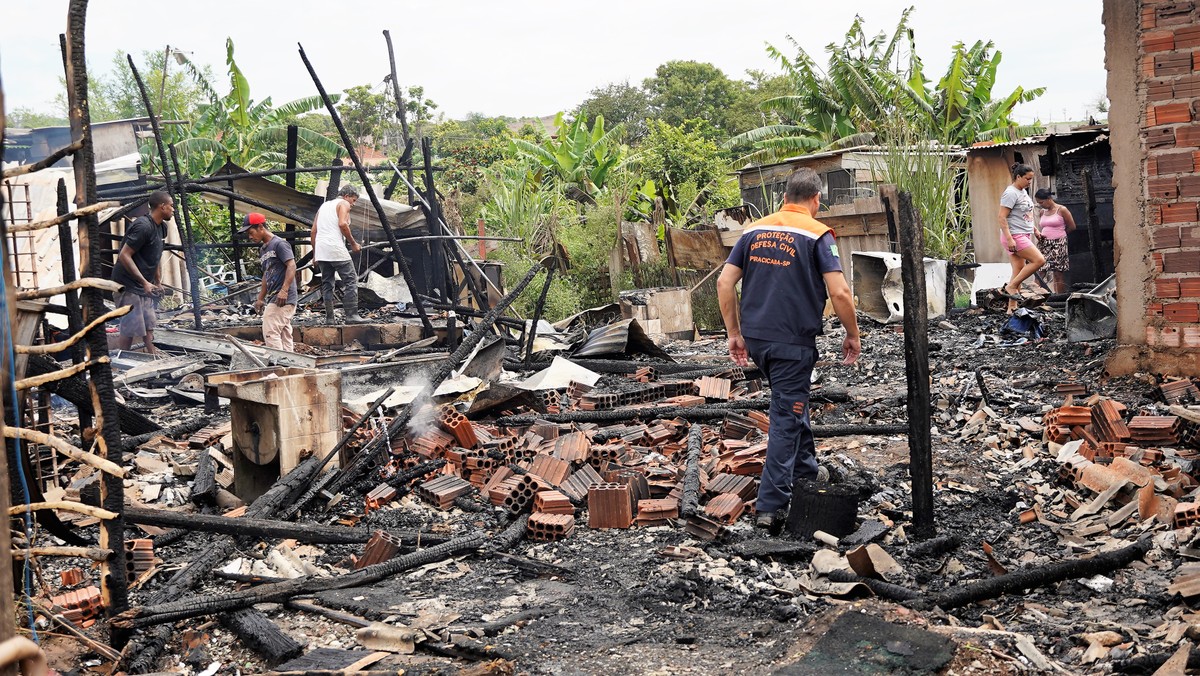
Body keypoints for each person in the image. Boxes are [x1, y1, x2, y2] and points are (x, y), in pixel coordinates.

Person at [716, 168, 861, 531]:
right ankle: (770, 507)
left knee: (792, 401)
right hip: (791, 342)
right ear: (816, 200)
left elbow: (725, 282)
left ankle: (807, 473)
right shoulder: (817, 233)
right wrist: (853, 333)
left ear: (784, 198)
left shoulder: (753, 231)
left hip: (758, 340)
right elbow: (840, 292)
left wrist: (734, 332)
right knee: (785, 417)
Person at [111, 190, 173, 354]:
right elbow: (124, 255)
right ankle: (122, 361)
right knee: (130, 325)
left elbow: (155, 256)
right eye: (171, 206)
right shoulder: (142, 226)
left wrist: (157, 282)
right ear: (162, 206)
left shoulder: (161, 228)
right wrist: (145, 282)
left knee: (149, 323)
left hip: (144, 285)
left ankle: (152, 356)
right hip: (127, 283)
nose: (173, 210)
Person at [241, 213, 297, 351]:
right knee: (284, 333)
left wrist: (284, 290)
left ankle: (279, 366)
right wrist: (260, 298)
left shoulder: (279, 244)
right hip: (275, 296)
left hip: (283, 296)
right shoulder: (263, 249)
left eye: (251, 232)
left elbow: (292, 265)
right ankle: (291, 366)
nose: (250, 236)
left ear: (260, 227)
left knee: (270, 331)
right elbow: (266, 273)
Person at [311, 184, 364, 323]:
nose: (353, 204)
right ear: (346, 196)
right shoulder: (343, 204)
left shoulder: (323, 206)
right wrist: (353, 243)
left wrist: (315, 254)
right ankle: (352, 315)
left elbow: (313, 231)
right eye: (353, 200)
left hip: (322, 250)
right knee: (351, 280)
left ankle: (329, 318)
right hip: (335, 248)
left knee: (327, 283)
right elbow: (342, 224)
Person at [998, 163, 1047, 304]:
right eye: (1027, 179)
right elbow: (1001, 217)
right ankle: (1011, 286)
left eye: (1031, 179)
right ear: (1018, 176)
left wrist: (1035, 230)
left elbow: (1025, 215)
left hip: (1023, 234)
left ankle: (1011, 308)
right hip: (1014, 236)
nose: (1029, 182)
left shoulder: (1022, 191)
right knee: (1039, 260)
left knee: (1018, 271)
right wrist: (1009, 239)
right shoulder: (1011, 193)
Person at [1034, 188, 1076, 294]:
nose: (1041, 205)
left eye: (1041, 202)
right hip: (1044, 243)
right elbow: (1042, 226)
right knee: (1040, 270)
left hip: (1059, 243)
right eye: (1038, 203)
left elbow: (1072, 226)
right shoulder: (1042, 212)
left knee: (1058, 272)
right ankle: (1035, 296)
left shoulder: (1062, 210)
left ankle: (1059, 297)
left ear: (1048, 199)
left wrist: (1060, 234)